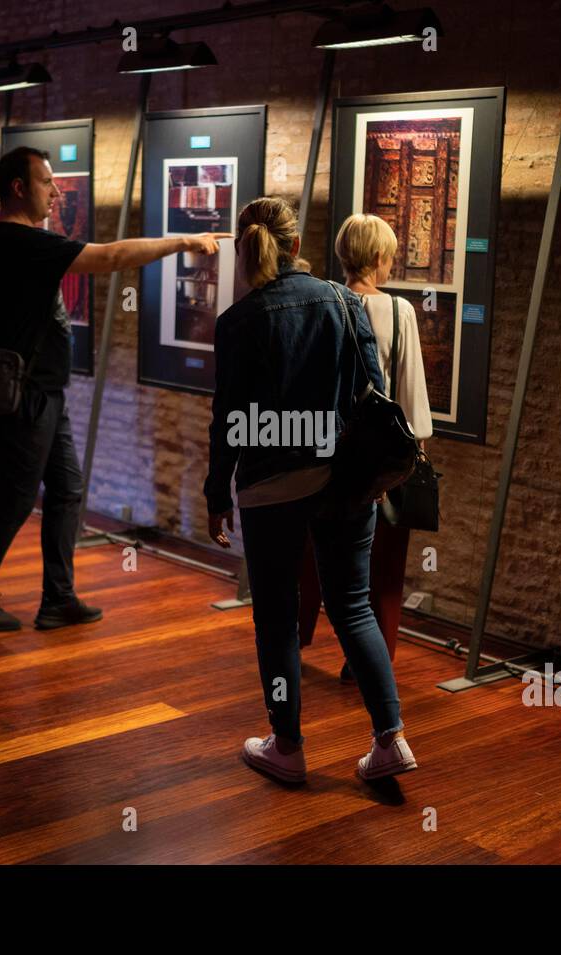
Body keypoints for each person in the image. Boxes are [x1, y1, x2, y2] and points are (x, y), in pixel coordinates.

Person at [0, 146, 227, 632]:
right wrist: (182, 241)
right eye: (45, 183)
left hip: (41, 392)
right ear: (18, 187)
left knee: (66, 488)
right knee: (15, 497)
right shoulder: (22, 242)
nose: (56, 192)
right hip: (27, 396)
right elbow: (113, 256)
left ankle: (58, 597)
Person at [205, 196, 418, 784]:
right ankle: (389, 738)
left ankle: (288, 745)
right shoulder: (344, 301)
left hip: (271, 488)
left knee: (275, 619)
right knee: (353, 605)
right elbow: (375, 395)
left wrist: (215, 493)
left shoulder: (236, 323)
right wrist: (374, 474)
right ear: (297, 246)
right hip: (344, 481)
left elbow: (229, 418)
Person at [298, 213, 433, 681]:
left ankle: (298, 634)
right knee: (383, 566)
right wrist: (415, 455)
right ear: (379, 258)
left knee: (316, 549)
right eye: (391, 255)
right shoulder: (400, 312)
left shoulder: (319, 302)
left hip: (322, 447)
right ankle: (367, 663)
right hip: (378, 457)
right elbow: (411, 396)